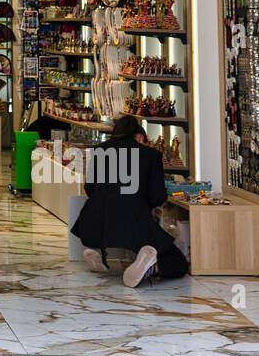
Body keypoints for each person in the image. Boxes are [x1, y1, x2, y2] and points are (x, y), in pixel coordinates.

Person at [69, 114, 189, 287]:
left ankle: (95, 251)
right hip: (133, 221)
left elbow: (90, 188)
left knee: (113, 234)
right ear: (139, 136)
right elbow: (157, 196)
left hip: (93, 222)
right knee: (178, 262)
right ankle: (151, 266)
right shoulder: (150, 155)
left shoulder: (101, 150)